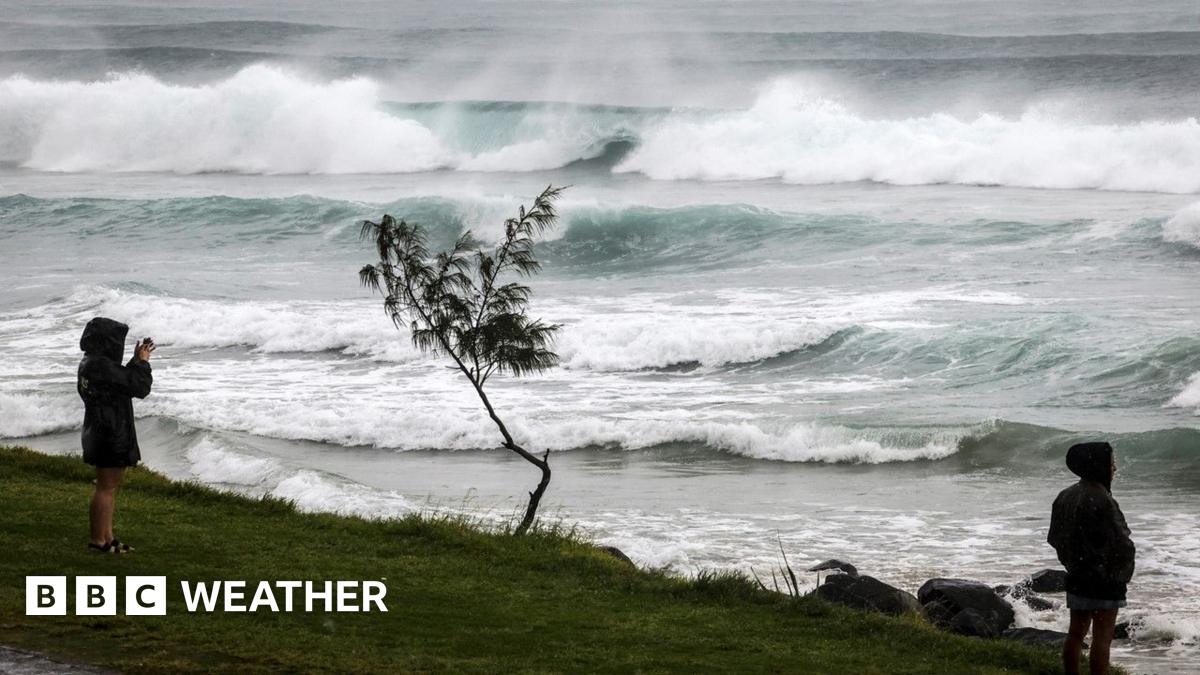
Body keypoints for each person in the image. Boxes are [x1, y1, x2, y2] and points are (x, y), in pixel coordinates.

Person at [1047, 441, 1135, 675]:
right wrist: (1122, 574)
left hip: (1077, 576)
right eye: (1111, 463)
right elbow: (1122, 541)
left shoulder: (1065, 495)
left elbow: (1054, 537)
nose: (1114, 469)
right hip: (1106, 580)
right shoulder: (1103, 499)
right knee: (1102, 639)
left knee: (1075, 634)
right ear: (1098, 466)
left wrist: (1072, 563)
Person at [77, 317, 154, 553]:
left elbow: (122, 382)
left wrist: (134, 360)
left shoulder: (91, 363)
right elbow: (139, 387)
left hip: (100, 431)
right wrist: (142, 363)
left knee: (107, 487)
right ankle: (98, 541)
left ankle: (107, 537)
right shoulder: (100, 366)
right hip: (110, 433)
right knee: (106, 488)